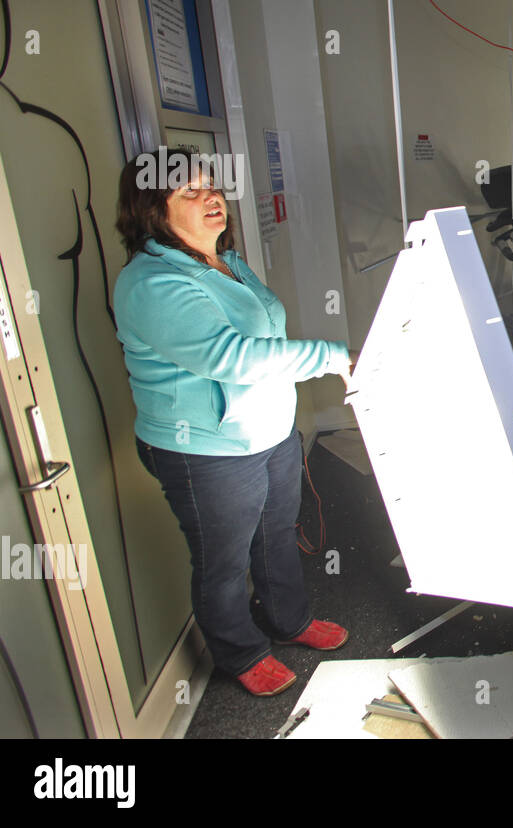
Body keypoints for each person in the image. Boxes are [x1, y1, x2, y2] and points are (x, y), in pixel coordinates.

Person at [114, 151, 351, 696]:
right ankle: (240, 653)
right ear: (153, 208)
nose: (212, 197)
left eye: (212, 186)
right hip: (206, 450)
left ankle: (287, 621)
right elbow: (233, 356)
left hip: (269, 435)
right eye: (190, 192)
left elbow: (263, 337)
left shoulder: (225, 261)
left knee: (276, 535)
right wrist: (335, 357)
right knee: (221, 562)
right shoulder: (151, 282)